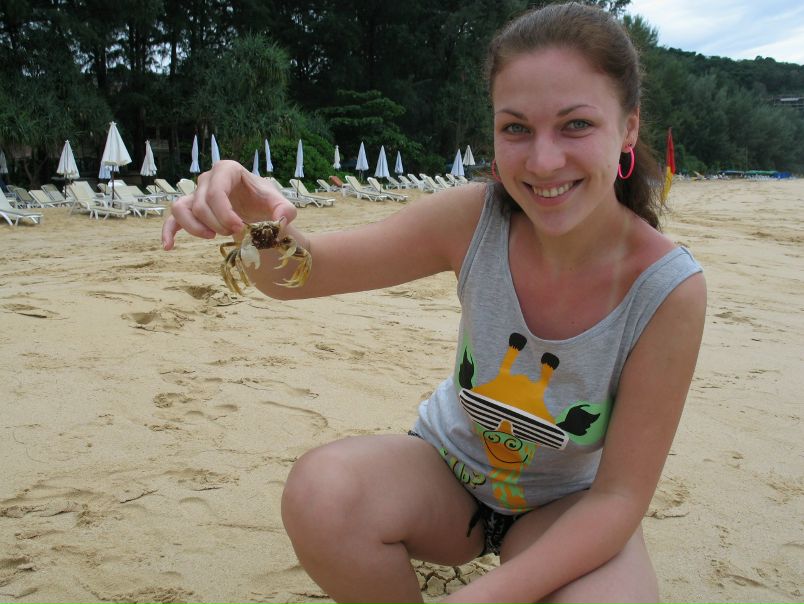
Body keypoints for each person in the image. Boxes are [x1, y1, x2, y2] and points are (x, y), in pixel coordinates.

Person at [162, 3, 706, 602]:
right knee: (323, 494)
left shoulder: (666, 289)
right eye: (516, 128)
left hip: (565, 507)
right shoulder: (475, 219)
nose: (543, 161)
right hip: (447, 478)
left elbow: (619, 498)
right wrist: (254, 220)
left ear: (628, 128)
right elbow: (307, 274)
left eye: (576, 124)